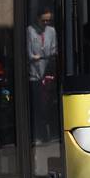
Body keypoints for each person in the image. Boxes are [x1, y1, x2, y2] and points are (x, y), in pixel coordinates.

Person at [27, 8, 58, 143]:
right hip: (34, 74)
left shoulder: (52, 31)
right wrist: (35, 57)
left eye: (48, 20)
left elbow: (54, 50)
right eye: (43, 20)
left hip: (47, 74)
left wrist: (46, 56)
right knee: (38, 105)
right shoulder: (30, 31)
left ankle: (49, 134)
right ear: (37, 19)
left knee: (48, 105)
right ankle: (39, 135)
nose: (46, 23)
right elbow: (28, 53)